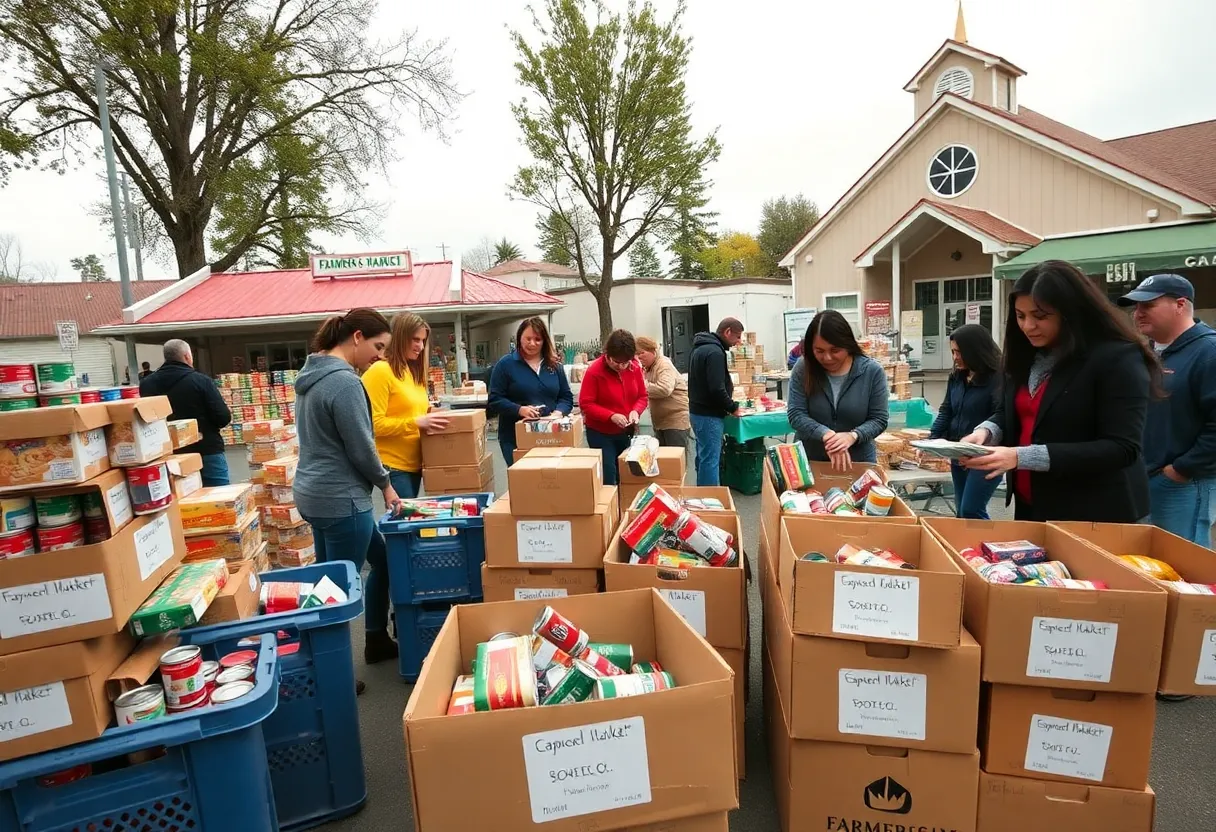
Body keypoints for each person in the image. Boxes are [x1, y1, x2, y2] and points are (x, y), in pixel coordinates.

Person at [961, 260, 1159, 522]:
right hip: (1033, 505)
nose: (1028, 326)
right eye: (1020, 316)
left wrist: (1021, 456)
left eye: (1040, 316)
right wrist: (986, 432)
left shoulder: (1117, 358)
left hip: (1095, 512)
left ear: (1071, 313)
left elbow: (1121, 448)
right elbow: (1013, 411)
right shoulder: (1027, 356)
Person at [293, 308, 401, 674]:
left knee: (372, 563)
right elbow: (361, 446)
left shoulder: (313, 374)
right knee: (334, 594)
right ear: (357, 337)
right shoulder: (344, 382)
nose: (380, 356)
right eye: (378, 346)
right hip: (341, 500)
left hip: (314, 494)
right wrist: (386, 484)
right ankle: (331, 675)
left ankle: (375, 638)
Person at [1118, 274, 1216, 545]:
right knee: (1155, 566)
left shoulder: (1209, 351)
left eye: (1147, 305)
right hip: (1147, 479)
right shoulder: (1147, 354)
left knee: (1186, 570)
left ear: (1180, 305)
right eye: (1135, 307)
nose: (1137, 313)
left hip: (1185, 484)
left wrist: (1180, 470)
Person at [362, 313, 452, 499]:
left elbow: (413, 410)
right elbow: (372, 425)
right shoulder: (380, 372)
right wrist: (417, 422)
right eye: (415, 339)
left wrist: (432, 414)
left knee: (410, 522)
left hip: (415, 463)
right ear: (399, 337)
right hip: (393, 466)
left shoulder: (411, 372)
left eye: (423, 341)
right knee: (404, 524)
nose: (420, 346)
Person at [786, 310, 889, 471]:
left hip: (858, 463)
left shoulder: (871, 371)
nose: (827, 357)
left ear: (848, 345)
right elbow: (796, 415)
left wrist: (852, 436)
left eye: (835, 351)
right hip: (809, 464)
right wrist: (827, 435)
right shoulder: (803, 368)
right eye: (819, 351)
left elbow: (879, 419)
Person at [929, 324, 1003, 519]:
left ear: (975, 351)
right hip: (957, 451)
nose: (955, 357)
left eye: (959, 352)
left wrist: (981, 441)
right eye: (953, 352)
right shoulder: (957, 377)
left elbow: (1000, 417)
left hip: (984, 455)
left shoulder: (999, 379)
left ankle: (988, 548)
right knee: (962, 512)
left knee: (972, 509)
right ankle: (965, 548)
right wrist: (932, 438)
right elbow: (947, 410)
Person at [140, 339, 233, 486]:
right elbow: (223, 417)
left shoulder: (146, 384)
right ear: (187, 357)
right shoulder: (201, 381)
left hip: (169, 455)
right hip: (206, 450)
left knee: (182, 502)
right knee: (216, 499)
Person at [488, 317, 574, 464]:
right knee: (524, 480)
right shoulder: (505, 365)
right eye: (528, 339)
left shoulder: (554, 366)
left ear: (544, 341)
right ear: (519, 338)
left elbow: (566, 397)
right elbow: (495, 400)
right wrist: (519, 410)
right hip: (515, 438)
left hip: (550, 436)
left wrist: (558, 413)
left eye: (538, 339)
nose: (532, 344)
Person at [579, 330, 649, 486]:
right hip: (601, 433)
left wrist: (635, 411)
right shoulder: (594, 371)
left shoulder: (634, 368)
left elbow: (642, 397)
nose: (621, 366)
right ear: (607, 355)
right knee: (609, 476)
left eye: (625, 362)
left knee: (627, 475)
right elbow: (586, 404)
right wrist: (611, 416)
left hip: (626, 431)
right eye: (616, 362)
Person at [687, 318, 743, 486]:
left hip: (697, 412)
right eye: (737, 336)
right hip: (709, 415)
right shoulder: (715, 353)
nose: (738, 341)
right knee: (711, 460)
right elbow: (717, 388)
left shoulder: (700, 348)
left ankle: (701, 494)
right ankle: (711, 501)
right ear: (727, 332)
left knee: (703, 458)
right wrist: (732, 407)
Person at [635, 336, 690, 450]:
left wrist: (642, 385)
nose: (639, 357)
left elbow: (665, 389)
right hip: (661, 423)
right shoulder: (648, 367)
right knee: (664, 461)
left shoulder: (663, 365)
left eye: (642, 353)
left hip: (675, 422)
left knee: (674, 460)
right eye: (636, 354)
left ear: (653, 351)